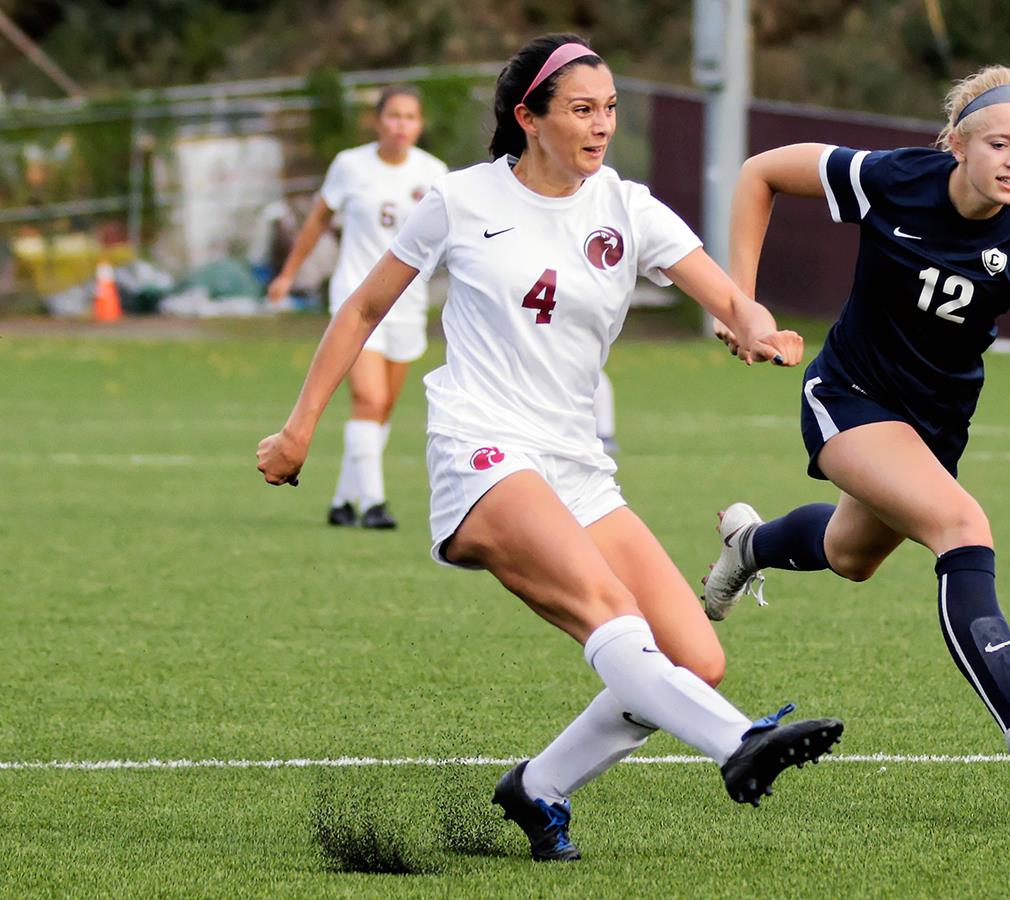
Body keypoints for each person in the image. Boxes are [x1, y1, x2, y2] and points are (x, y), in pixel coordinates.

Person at [256, 35, 843, 861]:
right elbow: (360, 310)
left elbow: (726, 297)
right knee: (615, 622)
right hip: (482, 451)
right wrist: (298, 428)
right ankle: (740, 743)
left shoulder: (628, 208)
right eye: (581, 109)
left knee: (694, 658)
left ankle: (537, 788)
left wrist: (756, 327)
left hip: (575, 467)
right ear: (528, 118)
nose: (601, 125)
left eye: (608, 108)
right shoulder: (458, 200)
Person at [702, 65, 1010, 801]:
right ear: (955, 143)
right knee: (963, 528)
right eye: (998, 143)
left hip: (936, 421)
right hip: (848, 393)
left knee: (850, 556)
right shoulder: (891, 177)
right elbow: (760, 174)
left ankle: (745, 545)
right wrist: (739, 301)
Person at [267, 85, 449, 529]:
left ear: (420, 125)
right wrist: (288, 273)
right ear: (377, 120)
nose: (401, 125)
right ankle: (373, 504)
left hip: (407, 301)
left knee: (383, 407)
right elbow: (317, 221)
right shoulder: (351, 165)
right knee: (368, 398)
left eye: (410, 117)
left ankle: (344, 500)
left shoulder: (435, 172)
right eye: (394, 116)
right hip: (358, 298)